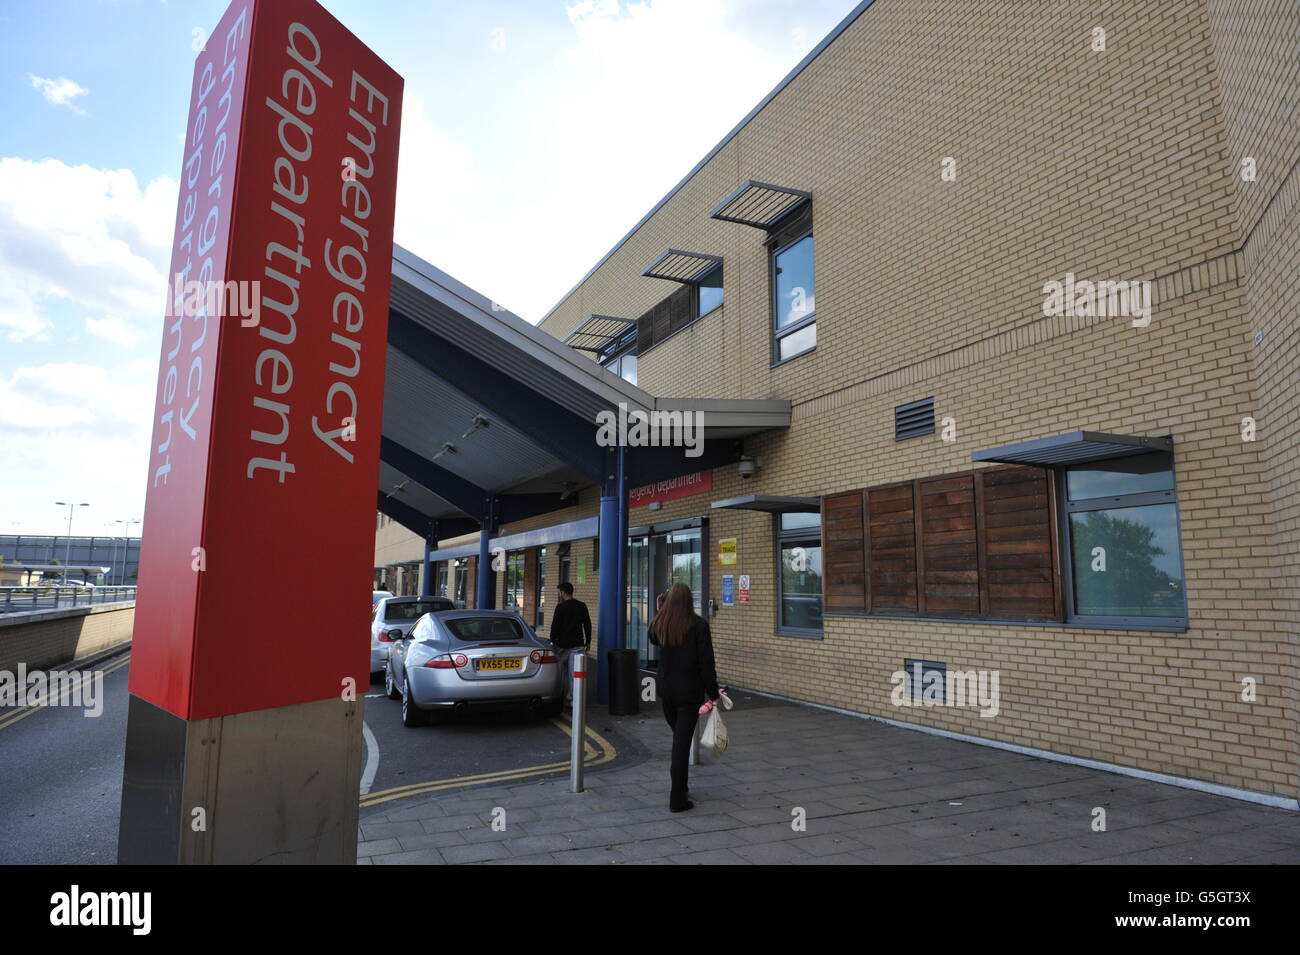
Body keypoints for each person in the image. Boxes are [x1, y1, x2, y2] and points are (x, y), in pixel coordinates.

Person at [648, 582, 720, 812]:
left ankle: (682, 787)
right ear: (690, 600)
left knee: (680, 741)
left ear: (668, 600)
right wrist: (713, 691)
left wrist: (659, 609)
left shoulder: (662, 623)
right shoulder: (699, 625)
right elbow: (706, 662)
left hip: (667, 692)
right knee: (680, 746)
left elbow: (652, 639)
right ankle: (677, 799)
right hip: (689, 694)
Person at [549, 581, 591, 708]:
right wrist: (588, 641)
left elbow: (555, 627)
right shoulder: (582, 606)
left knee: (560, 671)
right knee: (575, 674)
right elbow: (587, 625)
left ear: (563, 593)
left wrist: (552, 640)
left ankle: (560, 696)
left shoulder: (560, 607)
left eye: (560, 592)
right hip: (578, 645)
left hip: (562, 646)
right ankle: (573, 699)